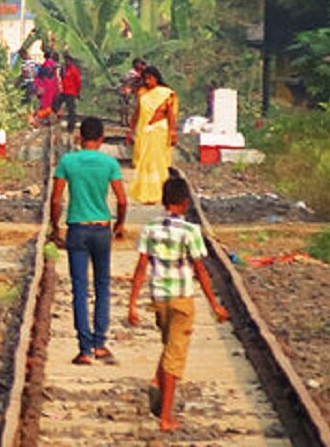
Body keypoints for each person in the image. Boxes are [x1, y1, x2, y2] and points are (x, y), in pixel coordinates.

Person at [127, 176, 229, 432]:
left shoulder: (150, 227)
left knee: (169, 345)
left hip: (158, 297)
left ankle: (156, 382)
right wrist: (214, 304)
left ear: (163, 201)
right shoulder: (190, 232)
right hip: (183, 298)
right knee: (175, 356)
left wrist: (132, 303)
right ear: (185, 203)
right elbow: (200, 270)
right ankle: (165, 416)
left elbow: (141, 267)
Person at [49, 116, 128, 365]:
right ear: (102, 139)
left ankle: (84, 349)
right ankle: (100, 344)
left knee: (80, 289)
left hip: (77, 229)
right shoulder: (109, 163)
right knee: (103, 286)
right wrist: (120, 224)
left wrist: (54, 226)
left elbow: (56, 199)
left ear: (79, 138)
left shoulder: (68, 161)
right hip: (102, 229)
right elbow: (122, 199)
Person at [128, 66, 178, 204]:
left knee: (158, 162)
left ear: (157, 78)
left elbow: (171, 115)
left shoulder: (167, 93)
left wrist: (173, 132)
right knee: (145, 163)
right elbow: (137, 112)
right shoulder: (142, 92)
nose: (148, 81)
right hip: (144, 130)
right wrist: (130, 129)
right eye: (145, 78)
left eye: (150, 78)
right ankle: (146, 193)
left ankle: (160, 193)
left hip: (159, 131)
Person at [54, 52, 82, 133]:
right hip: (64, 91)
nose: (66, 62)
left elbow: (78, 82)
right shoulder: (64, 69)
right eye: (65, 60)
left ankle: (71, 127)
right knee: (55, 103)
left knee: (71, 111)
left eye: (67, 60)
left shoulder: (74, 70)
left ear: (70, 61)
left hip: (71, 92)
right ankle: (57, 117)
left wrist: (77, 92)